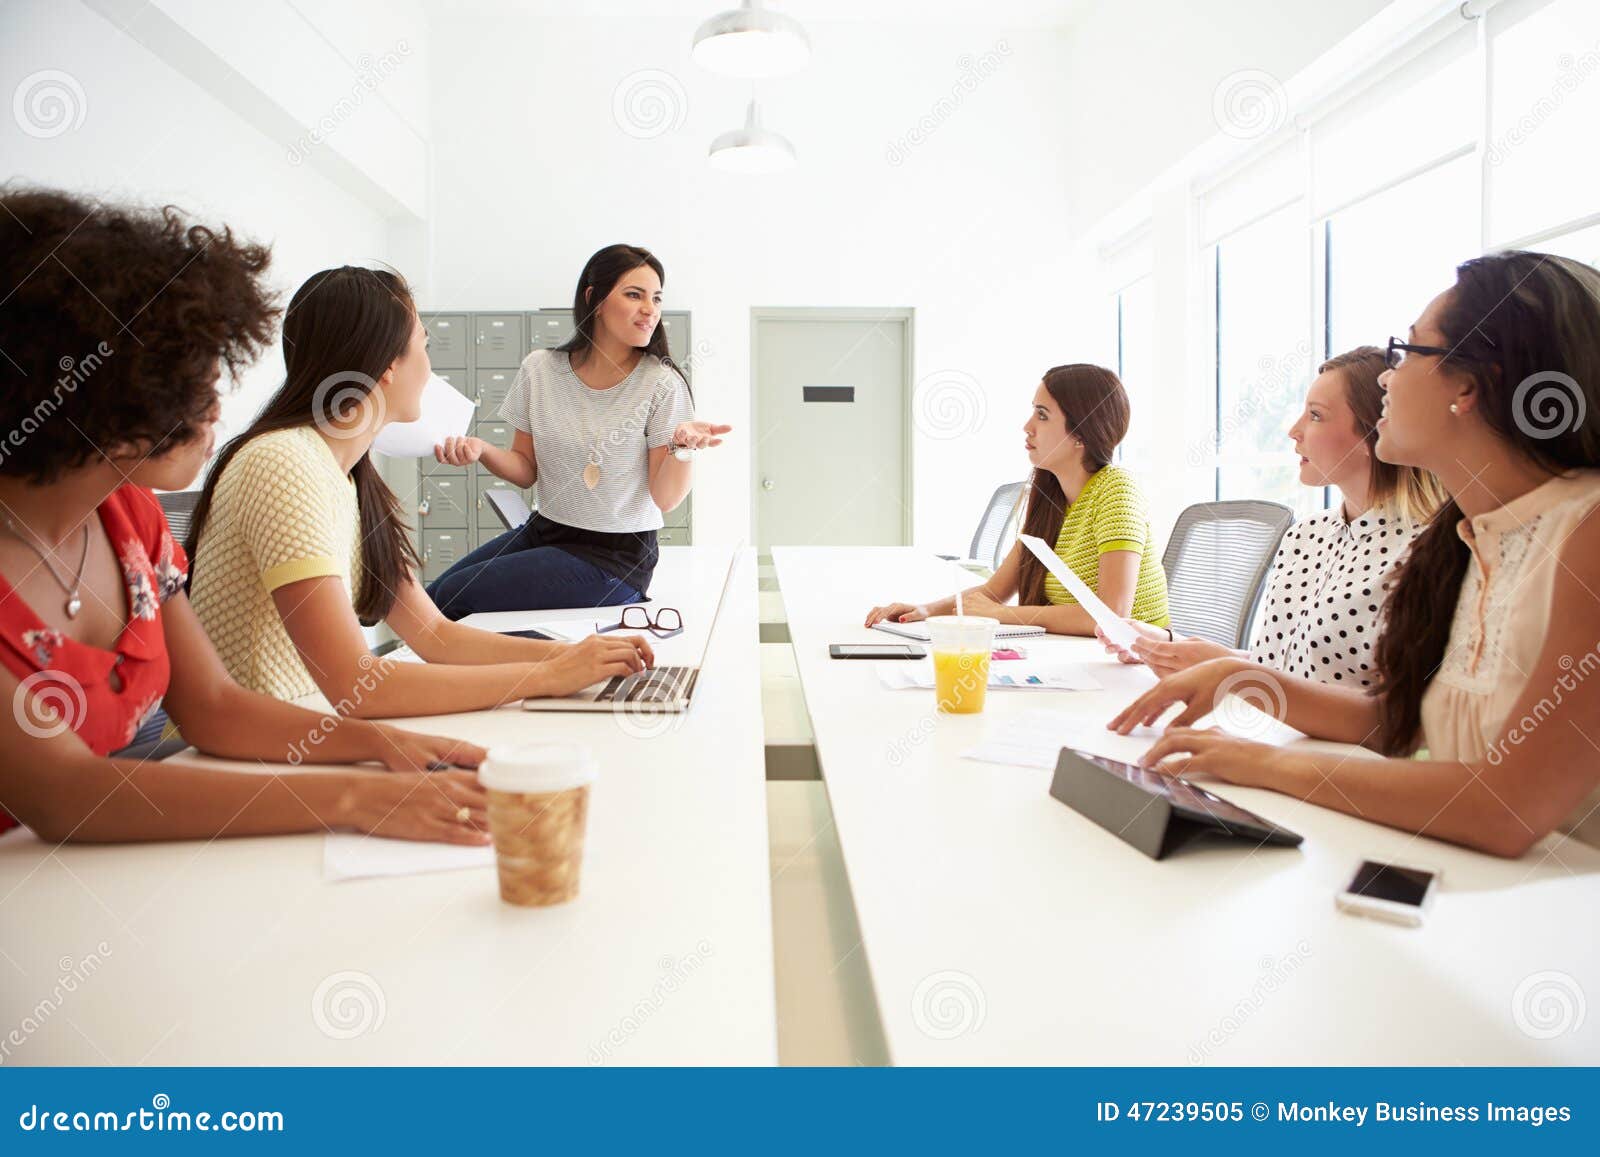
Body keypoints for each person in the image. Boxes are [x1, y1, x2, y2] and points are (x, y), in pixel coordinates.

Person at [0, 189, 488, 845]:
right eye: (188, 378)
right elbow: (65, 794)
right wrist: (356, 793)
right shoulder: (283, 461)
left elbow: (213, 707)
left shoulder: (131, 516)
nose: (214, 409)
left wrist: (379, 744)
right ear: (91, 389)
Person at [1109, 251, 1600, 858]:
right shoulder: (1469, 538)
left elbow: (1507, 805)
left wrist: (1266, 765)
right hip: (1476, 887)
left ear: (1471, 386)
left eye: (1407, 351)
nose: (1387, 378)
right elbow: (1400, 721)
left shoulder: (1587, 527)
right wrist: (1242, 675)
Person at [186, 266, 654, 717]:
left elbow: (434, 634)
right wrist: (549, 677)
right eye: (423, 347)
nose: (430, 371)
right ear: (388, 365)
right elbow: (356, 685)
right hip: (255, 757)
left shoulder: (349, 477)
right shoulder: (284, 463)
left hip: (307, 735)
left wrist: (576, 659)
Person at [1102, 347, 1445, 686]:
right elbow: (1279, 666)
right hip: (1269, 726)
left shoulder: (1424, 550)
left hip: (1319, 740)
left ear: (1377, 430)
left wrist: (1227, 675)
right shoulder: (1306, 535)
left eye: (1316, 415)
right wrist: (1169, 645)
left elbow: (1392, 716)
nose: (1293, 431)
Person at [426, 244, 732, 617]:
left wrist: (682, 448)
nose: (650, 310)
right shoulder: (540, 369)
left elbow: (665, 499)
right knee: (430, 597)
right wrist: (481, 449)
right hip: (545, 531)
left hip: (614, 561)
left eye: (656, 298)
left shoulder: (662, 384)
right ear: (595, 300)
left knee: (454, 597)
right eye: (634, 295)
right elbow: (525, 469)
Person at [866, 364, 1169, 635]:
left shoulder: (1117, 489)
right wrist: (925, 610)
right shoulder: (1050, 496)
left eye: (1042, 415)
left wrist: (1002, 616)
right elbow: (992, 592)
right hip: (1087, 657)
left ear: (1081, 434)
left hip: (1141, 666)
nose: (1028, 426)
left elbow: (1113, 615)